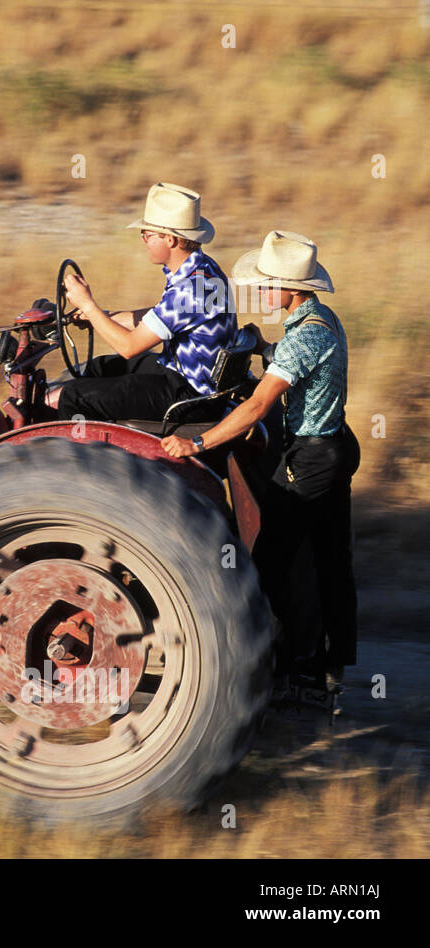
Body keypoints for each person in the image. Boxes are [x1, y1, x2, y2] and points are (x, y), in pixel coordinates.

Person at [160, 230, 359, 698]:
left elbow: (257, 407)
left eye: (268, 284)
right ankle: (328, 670)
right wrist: (258, 347)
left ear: (291, 289)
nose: (262, 292)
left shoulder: (301, 341)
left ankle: (271, 670)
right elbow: (289, 364)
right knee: (330, 559)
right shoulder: (322, 320)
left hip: (310, 458)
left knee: (267, 561)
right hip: (336, 446)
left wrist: (198, 443)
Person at [55, 182, 238, 422]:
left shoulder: (191, 290)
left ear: (170, 240)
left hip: (191, 396)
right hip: (187, 377)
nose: (143, 240)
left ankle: (78, 454)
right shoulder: (202, 269)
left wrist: (88, 305)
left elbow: (129, 347)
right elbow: (157, 317)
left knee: (74, 397)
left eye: (147, 234)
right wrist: (97, 316)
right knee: (99, 368)